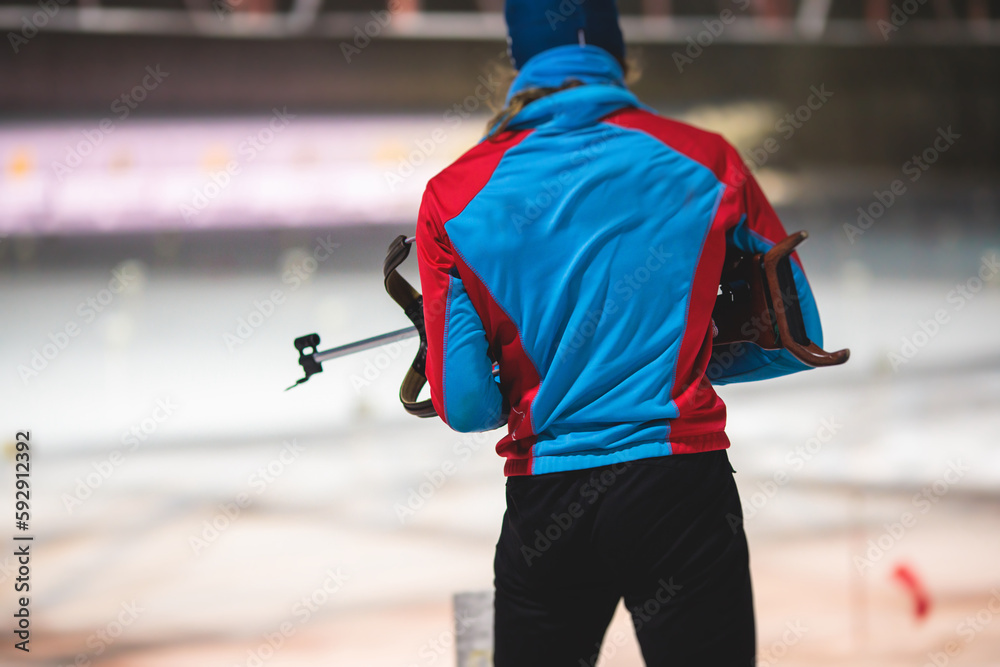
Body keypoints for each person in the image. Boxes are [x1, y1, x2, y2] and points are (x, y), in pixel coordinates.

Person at [414, 1, 825, 664]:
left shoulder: (452, 195)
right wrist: (672, 345)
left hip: (547, 503)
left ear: (516, 61)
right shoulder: (708, 159)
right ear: (615, 54)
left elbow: (465, 406)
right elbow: (795, 332)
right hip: (681, 493)